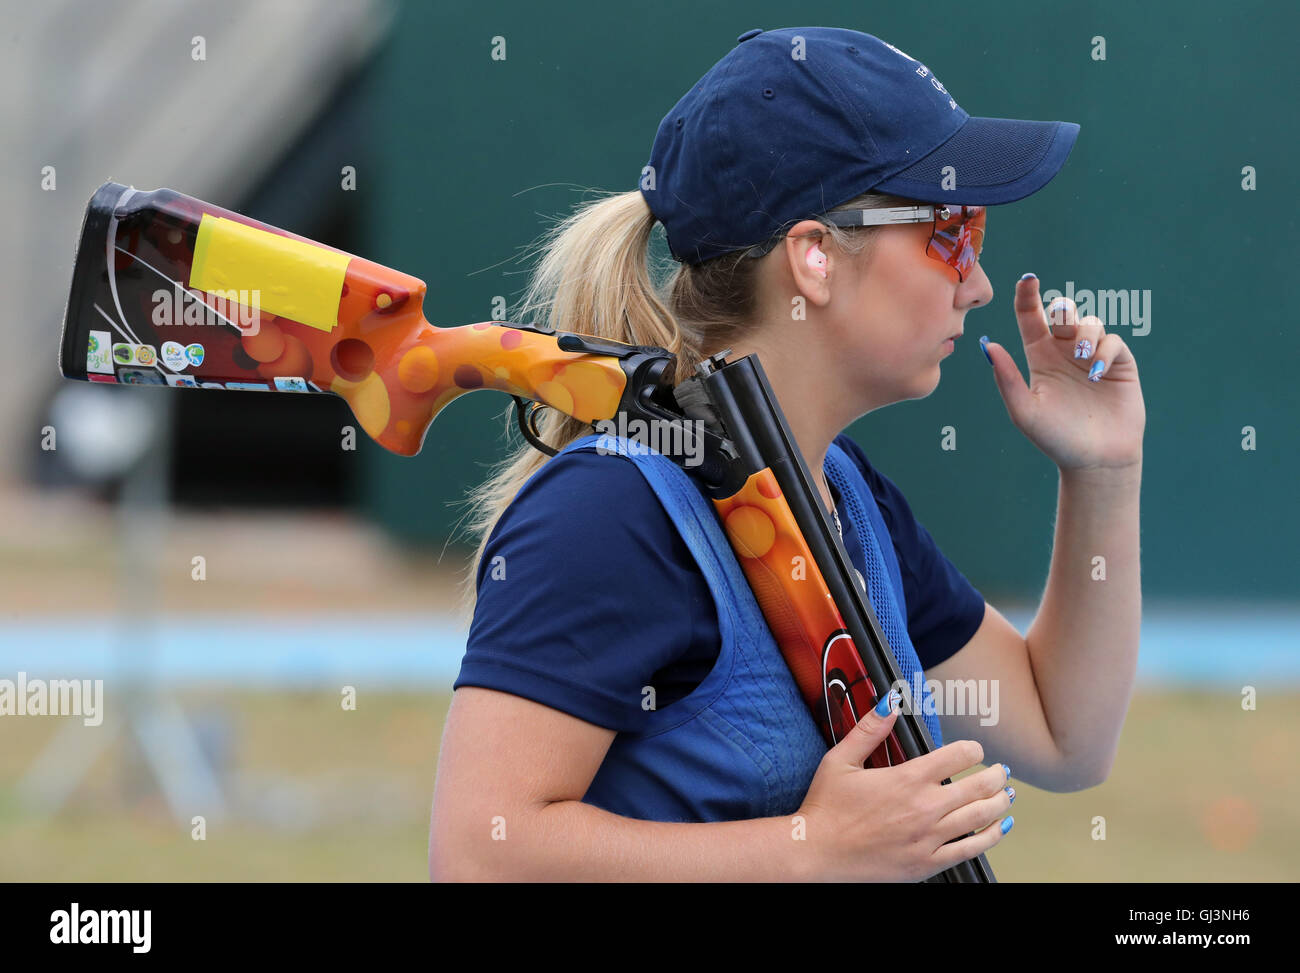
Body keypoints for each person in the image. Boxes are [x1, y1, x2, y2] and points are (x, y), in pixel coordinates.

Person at [429, 26, 1145, 882]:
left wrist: (1103, 471)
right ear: (813, 256)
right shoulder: (609, 510)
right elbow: (477, 852)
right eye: (952, 230)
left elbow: (1064, 734)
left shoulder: (846, 498)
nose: (979, 282)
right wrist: (814, 850)